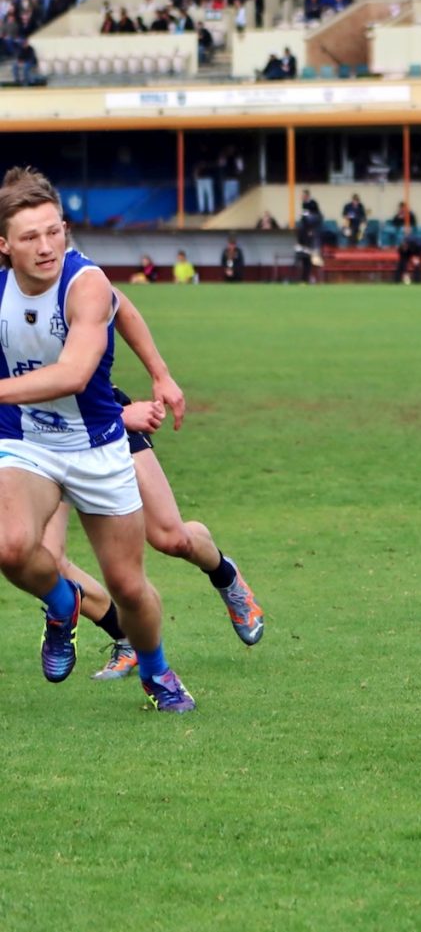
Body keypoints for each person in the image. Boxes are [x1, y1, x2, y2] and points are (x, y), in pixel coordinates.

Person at [0, 166, 193, 711]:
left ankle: (157, 674)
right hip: (27, 441)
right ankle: (63, 604)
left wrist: (159, 371)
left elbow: (74, 373)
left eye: (54, 231)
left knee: (130, 588)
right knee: (10, 547)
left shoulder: (84, 284)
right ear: (4, 246)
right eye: (30, 237)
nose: (46, 246)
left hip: (97, 444)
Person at [47, 291, 265, 679]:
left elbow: (121, 307)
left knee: (170, 537)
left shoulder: (68, 275)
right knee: (43, 560)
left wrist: (158, 376)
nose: (44, 244)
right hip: (39, 439)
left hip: (105, 422)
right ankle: (126, 637)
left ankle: (225, 575)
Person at [296, 189, 322, 283]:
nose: (302, 197)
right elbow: (304, 217)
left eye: (303, 195)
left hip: (314, 222)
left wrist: (311, 229)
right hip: (307, 228)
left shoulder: (312, 203)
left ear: (307, 195)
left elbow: (315, 216)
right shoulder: (303, 204)